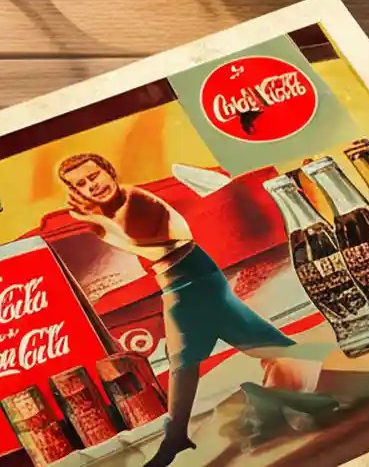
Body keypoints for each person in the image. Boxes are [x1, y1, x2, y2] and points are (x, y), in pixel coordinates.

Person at [57, 153, 322, 467]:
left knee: (187, 358)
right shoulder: (105, 211)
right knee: (249, 341)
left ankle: (178, 437)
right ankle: (294, 399)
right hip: (177, 277)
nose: (93, 186)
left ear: (109, 171)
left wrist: (99, 223)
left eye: (94, 176)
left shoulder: (136, 199)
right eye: (82, 184)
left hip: (189, 272)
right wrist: (97, 220)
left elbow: (171, 242)